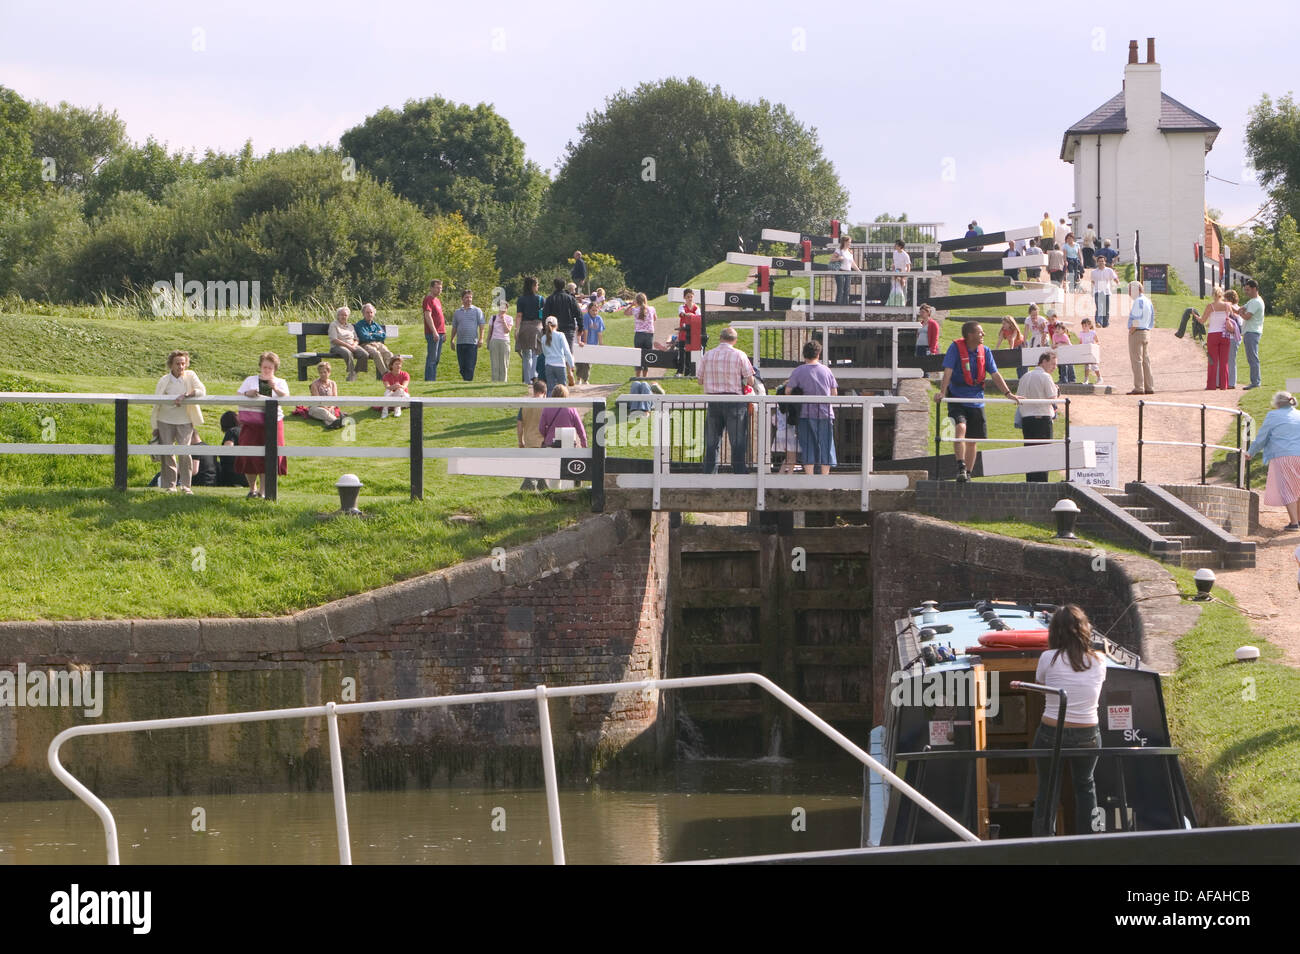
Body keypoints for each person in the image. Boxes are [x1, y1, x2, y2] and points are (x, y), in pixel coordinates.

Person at [1031, 604, 1106, 837]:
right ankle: (1089, 841)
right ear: (1085, 629)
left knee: (1047, 788)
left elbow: (1044, 688)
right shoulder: (1100, 660)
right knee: (1086, 785)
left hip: (1051, 732)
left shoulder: (1047, 658)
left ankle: (1042, 841)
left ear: (1054, 632)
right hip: (1088, 734)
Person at [935, 321, 1020, 481]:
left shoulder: (985, 351)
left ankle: (968, 474)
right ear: (970, 335)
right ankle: (960, 467)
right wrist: (942, 392)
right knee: (960, 428)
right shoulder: (955, 349)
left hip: (977, 400)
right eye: (980, 332)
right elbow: (948, 371)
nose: (984, 335)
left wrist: (1008, 394)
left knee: (973, 440)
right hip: (957, 398)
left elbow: (995, 374)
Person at [698, 327, 756, 475]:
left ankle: (709, 474)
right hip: (734, 401)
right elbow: (750, 380)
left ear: (720, 338)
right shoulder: (739, 355)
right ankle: (739, 473)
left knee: (712, 442)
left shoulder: (708, 355)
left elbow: (700, 380)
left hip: (713, 401)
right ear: (734, 340)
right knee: (737, 441)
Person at [151, 350, 206, 494]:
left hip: (185, 420)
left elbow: (201, 391)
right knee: (168, 452)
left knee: (184, 451)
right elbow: (156, 403)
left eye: (183, 363)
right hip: (165, 419)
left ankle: (186, 486)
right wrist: (155, 426)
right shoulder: (164, 380)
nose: (181, 367)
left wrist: (186, 395)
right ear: (171, 365)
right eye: (177, 364)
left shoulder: (191, 376)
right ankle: (170, 485)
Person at [236, 351, 289, 498]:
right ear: (260, 366)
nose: (266, 370)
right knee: (249, 454)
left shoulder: (280, 382)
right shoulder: (250, 380)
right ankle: (252, 489)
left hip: (273, 422)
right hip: (251, 422)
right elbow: (238, 395)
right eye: (264, 367)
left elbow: (286, 397)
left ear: (275, 368)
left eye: (270, 368)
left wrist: (274, 388)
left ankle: (263, 490)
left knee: (270, 455)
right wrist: (248, 394)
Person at [1246, 391, 1300, 531]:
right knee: (1298, 489)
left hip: (1283, 456)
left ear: (1277, 403)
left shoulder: (1273, 416)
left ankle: (1294, 523)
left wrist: (1251, 452)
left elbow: (1262, 437)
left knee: (1287, 488)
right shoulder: (1299, 414)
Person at [785, 340, 839, 475]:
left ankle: (810, 476)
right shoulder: (826, 370)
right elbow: (834, 393)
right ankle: (825, 477)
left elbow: (787, 391)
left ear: (804, 355)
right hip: (825, 413)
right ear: (818, 354)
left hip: (805, 413)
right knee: (826, 444)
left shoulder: (798, 371)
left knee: (807, 444)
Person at [1017, 351, 1060, 482]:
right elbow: (1053, 399)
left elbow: (1019, 397)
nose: (1054, 367)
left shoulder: (1025, 376)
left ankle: (1030, 483)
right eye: (1053, 363)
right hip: (1042, 420)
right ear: (1044, 361)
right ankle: (1042, 485)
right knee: (1043, 454)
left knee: (1030, 454)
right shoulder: (1045, 377)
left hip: (1027, 420)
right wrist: (1058, 392)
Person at [1197, 285, 1233, 391]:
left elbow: (1202, 320)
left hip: (1213, 334)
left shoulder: (1210, 306)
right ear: (1221, 294)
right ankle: (1224, 385)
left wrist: (1196, 317)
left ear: (1213, 294)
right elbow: (1229, 317)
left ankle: (1211, 385)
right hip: (1224, 334)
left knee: (1212, 361)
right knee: (1224, 361)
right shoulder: (1227, 305)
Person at [517, 379, 550, 491]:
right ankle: (532, 490)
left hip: (529, 441)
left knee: (533, 468)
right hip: (542, 441)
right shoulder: (546, 405)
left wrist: (520, 441)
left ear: (533, 391)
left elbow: (520, 425)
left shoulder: (524, 405)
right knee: (539, 469)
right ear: (544, 393)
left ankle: (541, 490)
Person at [449, 289, 485, 382]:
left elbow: (481, 326)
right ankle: (466, 380)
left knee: (470, 366)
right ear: (462, 299)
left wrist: (481, 339)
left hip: (472, 343)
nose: (469, 299)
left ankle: (468, 382)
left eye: (470, 297)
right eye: (466, 297)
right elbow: (454, 327)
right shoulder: (457, 312)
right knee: (462, 367)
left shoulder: (477, 310)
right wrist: (452, 340)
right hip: (460, 343)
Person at [515, 276, 546, 385]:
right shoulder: (541, 299)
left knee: (526, 355)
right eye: (537, 285)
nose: (538, 287)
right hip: (537, 327)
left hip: (524, 327)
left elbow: (519, 315)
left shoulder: (521, 299)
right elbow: (544, 315)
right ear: (533, 286)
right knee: (536, 353)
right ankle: (534, 377)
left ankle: (527, 379)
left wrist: (516, 329)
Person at [1126, 280, 1155, 395]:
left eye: (1130, 290)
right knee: (1146, 361)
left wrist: (1131, 331)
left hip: (1137, 332)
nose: (1129, 293)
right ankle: (1149, 386)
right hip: (1146, 331)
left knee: (1137, 361)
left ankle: (1139, 387)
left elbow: (1136, 320)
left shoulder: (1138, 301)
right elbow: (1152, 318)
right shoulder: (1148, 300)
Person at [539, 384, 588, 448]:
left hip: (551, 443)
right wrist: (584, 443)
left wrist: (547, 434)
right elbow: (580, 428)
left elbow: (541, 428)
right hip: (568, 442)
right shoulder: (571, 409)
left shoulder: (547, 408)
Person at [328, 306, 368, 382]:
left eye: (345, 315)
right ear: (338, 315)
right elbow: (334, 340)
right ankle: (351, 373)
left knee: (364, 354)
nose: (343, 317)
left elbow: (356, 339)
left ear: (348, 316)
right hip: (338, 346)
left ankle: (354, 373)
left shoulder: (350, 326)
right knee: (348, 352)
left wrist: (354, 345)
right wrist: (349, 346)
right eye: (341, 315)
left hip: (352, 345)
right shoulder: (333, 325)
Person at [1240, 278, 1266, 391]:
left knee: (1253, 358)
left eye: (1248, 290)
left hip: (1252, 332)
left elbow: (1247, 316)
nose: (1246, 292)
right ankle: (1255, 381)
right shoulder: (1252, 301)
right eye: (1245, 289)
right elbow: (1241, 309)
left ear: (1254, 289)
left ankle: (1255, 382)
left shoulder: (1256, 302)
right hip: (1249, 332)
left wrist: (1241, 312)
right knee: (1251, 358)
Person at [540, 316, 576, 396]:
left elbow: (545, 353)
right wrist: (571, 364)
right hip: (560, 364)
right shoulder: (560, 335)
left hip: (549, 364)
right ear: (556, 325)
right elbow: (567, 351)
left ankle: (550, 408)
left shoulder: (543, 338)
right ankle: (563, 407)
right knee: (562, 389)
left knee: (550, 389)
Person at [624, 292, 658, 379]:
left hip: (639, 334)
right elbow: (655, 319)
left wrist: (631, 305)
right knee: (646, 356)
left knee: (638, 356)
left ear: (637, 301)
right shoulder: (651, 309)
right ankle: (645, 377)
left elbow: (625, 313)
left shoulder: (635, 310)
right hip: (649, 335)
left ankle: (638, 376)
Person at [354, 303, 394, 376]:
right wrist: (376, 334)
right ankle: (385, 374)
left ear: (374, 313)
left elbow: (383, 336)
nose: (369, 314)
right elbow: (364, 337)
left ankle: (392, 374)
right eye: (367, 312)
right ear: (363, 313)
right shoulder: (360, 325)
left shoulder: (376, 325)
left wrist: (371, 334)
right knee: (376, 353)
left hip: (378, 344)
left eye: (371, 312)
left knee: (388, 353)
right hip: (365, 345)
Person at [544, 277, 582, 351]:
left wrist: (544, 328)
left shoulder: (550, 299)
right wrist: (580, 327)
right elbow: (578, 314)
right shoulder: (571, 299)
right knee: (568, 351)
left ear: (554, 286)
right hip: (568, 328)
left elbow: (545, 315)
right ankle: (568, 363)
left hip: (553, 328)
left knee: (555, 351)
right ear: (564, 286)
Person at [307, 360, 345, 430]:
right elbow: (317, 400)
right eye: (320, 373)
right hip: (316, 407)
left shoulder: (333, 383)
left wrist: (331, 407)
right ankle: (337, 421)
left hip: (330, 407)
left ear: (329, 372)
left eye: (325, 372)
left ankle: (332, 425)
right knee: (323, 411)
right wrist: (326, 407)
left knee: (328, 413)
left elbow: (335, 399)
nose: (323, 374)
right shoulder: (314, 384)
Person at [772, 383, 800, 473]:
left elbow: (774, 420)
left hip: (780, 433)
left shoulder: (779, 408)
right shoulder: (791, 409)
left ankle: (780, 474)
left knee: (788, 457)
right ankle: (788, 478)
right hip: (790, 433)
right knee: (792, 458)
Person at [422, 279, 446, 382]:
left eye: (441, 288)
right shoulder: (428, 299)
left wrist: (443, 332)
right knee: (432, 358)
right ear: (431, 288)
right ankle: (429, 380)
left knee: (436, 359)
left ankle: (433, 379)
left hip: (440, 333)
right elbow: (428, 316)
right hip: (433, 333)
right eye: (437, 287)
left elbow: (440, 317)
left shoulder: (437, 300)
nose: (439, 290)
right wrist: (434, 331)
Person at [578, 298, 605, 385]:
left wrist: (601, 345)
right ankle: (579, 379)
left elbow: (600, 332)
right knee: (581, 362)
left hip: (593, 343)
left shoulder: (599, 319)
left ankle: (585, 380)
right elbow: (585, 330)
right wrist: (585, 342)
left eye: (596, 310)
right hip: (584, 343)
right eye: (593, 310)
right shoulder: (586, 317)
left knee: (588, 363)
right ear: (589, 310)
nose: (594, 312)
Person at [676, 289, 701, 375]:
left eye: (691, 297)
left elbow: (698, 317)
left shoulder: (696, 307)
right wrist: (688, 314)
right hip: (683, 333)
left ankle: (688, 371)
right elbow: (682, 314)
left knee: (689, 353)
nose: (690, 299)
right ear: (684, 298)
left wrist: (692, 315)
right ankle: (680, 371)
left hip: (692, 334)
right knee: (681, 353)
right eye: (688, 297)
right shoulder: (682, 307)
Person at [487, 300, 513, 383]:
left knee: (504, 363)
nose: (503, 309)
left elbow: (507, 331)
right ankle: (494, 382)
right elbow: (490, 331)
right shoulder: (493, 317)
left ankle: (503, 382)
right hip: (494, 341)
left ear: (506, 309)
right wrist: (488, 342)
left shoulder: (509, 318)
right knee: (494, 363)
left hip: (504, 342)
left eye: (505, 307)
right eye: (501, 307)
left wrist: (503, 321)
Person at [1223, 289, 1244, 389]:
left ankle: (1231, 382)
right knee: (1231, 360)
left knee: (1229, 360)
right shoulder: (1239, 308)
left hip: (1231, 337)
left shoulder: (1230, 309)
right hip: (1237, 338)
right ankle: (1231, 382)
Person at [217, 410, 244, 487]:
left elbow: (228, 451)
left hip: (232, 475)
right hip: (245, 474)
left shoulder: (232, 432)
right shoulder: (244, 431)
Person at [1090, 257, 1118, 328]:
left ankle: (1105, 324)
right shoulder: (1093, 272)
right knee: (1100, 307)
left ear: (1105, 262)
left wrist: (1117, 281)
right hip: (1098, 291)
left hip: (1106, 291)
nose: (1101, 263)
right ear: (1097, 262)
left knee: (1106, 309)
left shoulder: (1109, 270)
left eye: (1102, 261)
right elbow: (1092, 281)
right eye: (1099, 261)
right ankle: (1098, 322)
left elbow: (1114, 277)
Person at [1050, 316, 1075, 384]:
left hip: (1068, 352)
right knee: (1060, 365)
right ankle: (1063, 379)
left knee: (1069, 365)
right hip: (1060, 353)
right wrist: (1057, 345)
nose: (1057, 330)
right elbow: (1053, 345)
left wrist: (1060, 344)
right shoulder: (1054, 336)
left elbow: (1068, 345)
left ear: (1063, 330)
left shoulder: (1064, 336)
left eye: (1059, 329)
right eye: (1056, 328)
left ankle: (1072, 379)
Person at [831, 234, 855, 304]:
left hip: (848, 272)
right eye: (849, 242)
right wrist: (839, 258)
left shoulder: (850, 252)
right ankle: (838, 307)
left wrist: (859, 271)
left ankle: (845, 307)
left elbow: (852, 263)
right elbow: (832, 259)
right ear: (845, 242)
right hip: (840, 271)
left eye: (850, 242)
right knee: (840, 290)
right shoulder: (839, 250)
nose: (850, 243)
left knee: (847, 291)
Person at [1078, 318, 1102, 385]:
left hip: (1092, 351)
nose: (1084, 327)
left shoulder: (1092, 333)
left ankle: (1099, 378)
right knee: (1086, 366)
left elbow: (1097, 341)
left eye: (1085, 326)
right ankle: (1086, 379)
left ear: (1089, 325)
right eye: (1083, 326)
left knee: (1094, 366)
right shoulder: (1081, 333)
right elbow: (1080, 342)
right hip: (1085, 351)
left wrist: (1094, 345)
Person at [888, 240, 911, 306]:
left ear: (900, 246)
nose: (895, 246)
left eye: (896, 245)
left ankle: (903, 304)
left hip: (902, 273)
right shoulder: (894, 253)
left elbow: (908, 266)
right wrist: (893, 271)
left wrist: (905, 277)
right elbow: (894, 263)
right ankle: (892, 303)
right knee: (893, 287)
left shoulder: (905, 255)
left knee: (902, 288)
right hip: (896, 272)